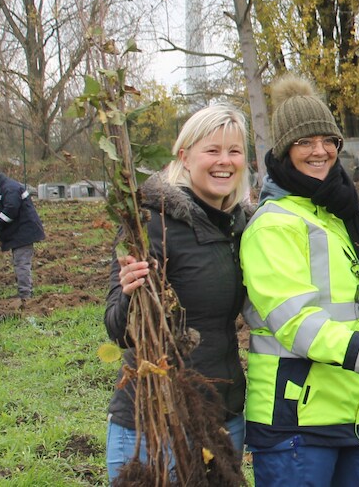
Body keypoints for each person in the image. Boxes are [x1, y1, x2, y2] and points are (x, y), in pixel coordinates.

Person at [240, 75, 359, 486]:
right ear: (284, 150)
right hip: (297, 426)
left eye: (328, 140)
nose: (319, 151)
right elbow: (296, 324)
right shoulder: (272, 225)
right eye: (304, 142)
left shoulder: (353, 215)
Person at [103, 104, 252, 479]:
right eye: (212, 150)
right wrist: (128, 293)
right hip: (156, 423)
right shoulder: (150, 223)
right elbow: (118, 331)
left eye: (234, 151)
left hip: (223, 416)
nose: (225, 161)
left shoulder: (241, 225)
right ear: (184, 157)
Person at [0, 170, 46, 301]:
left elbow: (10, 212)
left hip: (23, 233)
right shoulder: (4, 188)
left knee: (21, 263)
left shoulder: (10, 188)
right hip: (19, 232)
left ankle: (25, 295)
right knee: (20, 262)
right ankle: (24, 292)